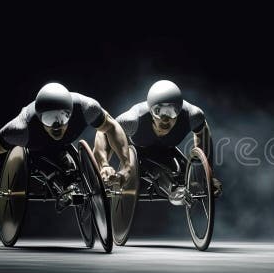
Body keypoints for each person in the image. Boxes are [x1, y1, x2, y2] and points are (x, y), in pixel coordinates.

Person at [0, 83, 133, 199]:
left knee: (70, 169)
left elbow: (111, 127)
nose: (57, 126)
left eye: (63, 117)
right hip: (37, 147)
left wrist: (126, 166)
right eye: (49, 119)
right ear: (40, 117)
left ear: (71, 112)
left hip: (63, 145)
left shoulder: (86, 108)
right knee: (55, 168)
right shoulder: (21, 128)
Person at [93, 80, 222, 197]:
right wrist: (104, 166)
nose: (165, 120)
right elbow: (104, 131)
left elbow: (203, 135)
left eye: (171, 111)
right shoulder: (133, 119)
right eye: (158, 111)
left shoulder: (193, 115)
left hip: (168, 152)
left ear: (180, 110)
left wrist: (207, 175)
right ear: (150, 110)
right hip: (138, 156)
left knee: (192, 181)